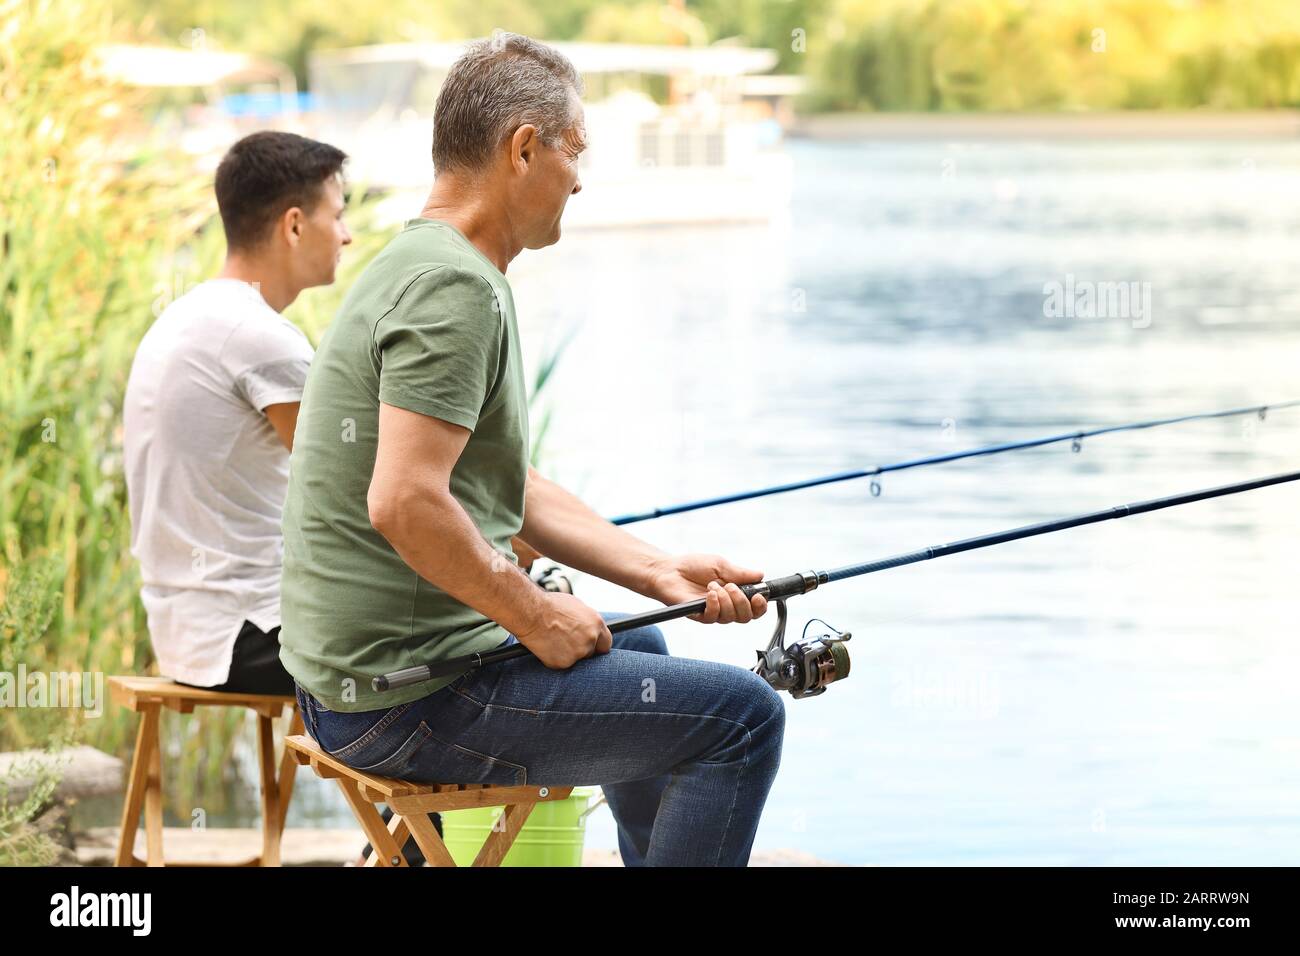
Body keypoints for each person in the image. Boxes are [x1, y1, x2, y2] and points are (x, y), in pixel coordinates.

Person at [280, 34, 786, 867]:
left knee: (646, 639)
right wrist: (535, 613)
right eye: (574, 149)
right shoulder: (457, 291)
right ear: (524, 149)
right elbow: (404, 501)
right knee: (743, 719)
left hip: (356, 682)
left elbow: (508, 487)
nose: (580, 179)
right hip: (402, 703)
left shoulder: (419, 260)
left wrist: (656, 573)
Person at [124, 130, 351, 696]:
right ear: (295, 225)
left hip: (186, 632)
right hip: (251, 634)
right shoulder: (259, 336)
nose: (346, 236)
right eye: (338, 216)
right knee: (474, 639)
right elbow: (355, 488)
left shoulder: (186, 316)